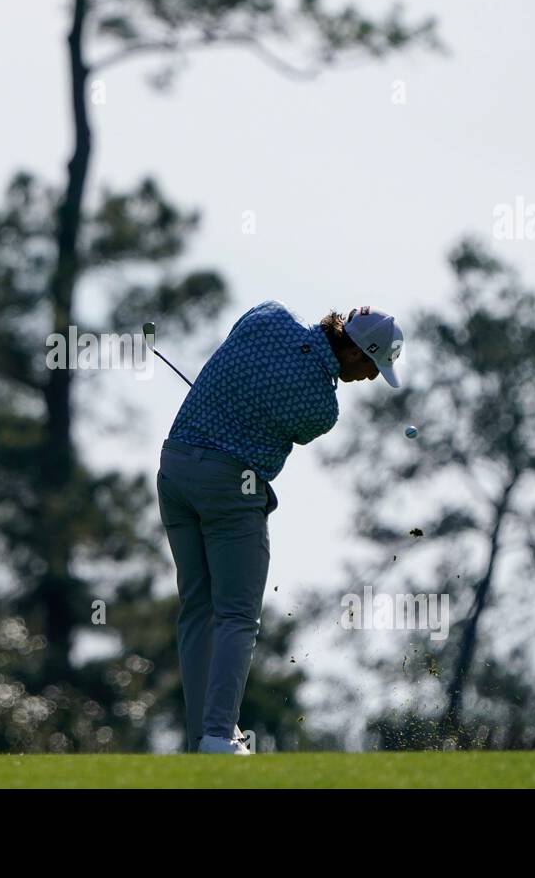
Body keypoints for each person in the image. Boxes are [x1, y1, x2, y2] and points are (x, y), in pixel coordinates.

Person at [156, 301, 403, 754]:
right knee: (235, 615)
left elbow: (240, 353)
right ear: (352, 352)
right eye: (371, 365)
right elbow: (292, 420)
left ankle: (200, 739)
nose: (370, 377)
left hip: (174, 470)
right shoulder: (321, 408)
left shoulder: (267, 315)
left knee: (197, 609)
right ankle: (218, 737)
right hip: (229, 490)